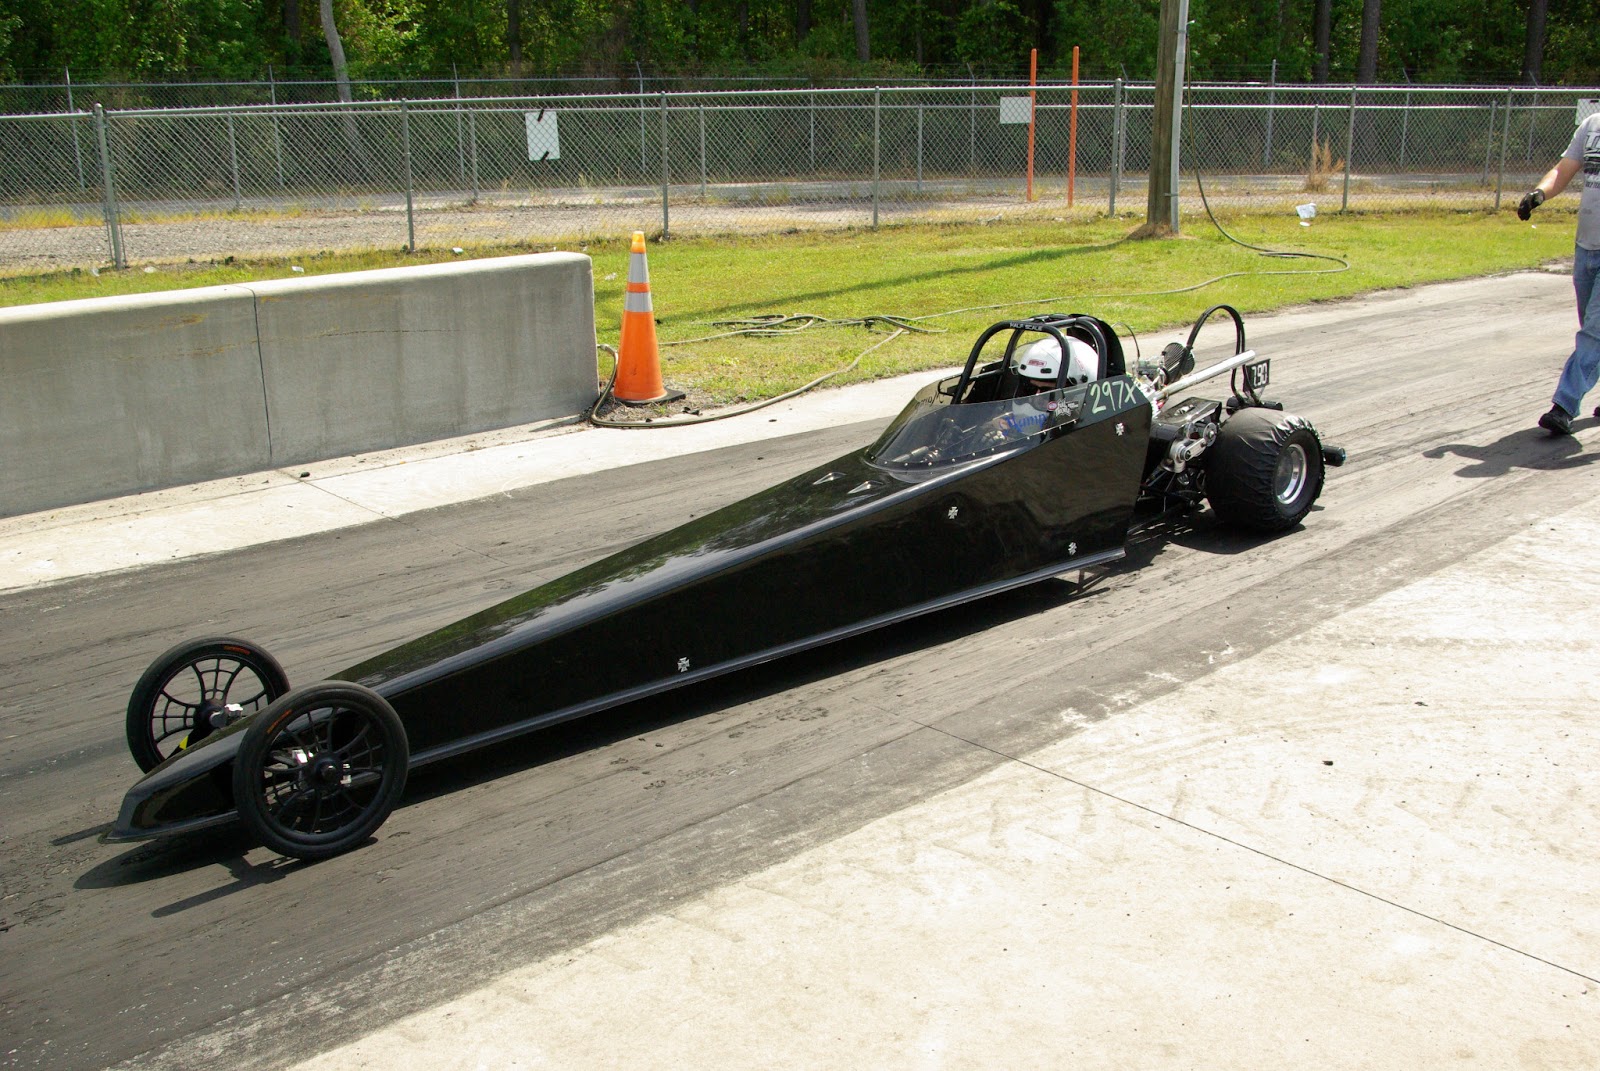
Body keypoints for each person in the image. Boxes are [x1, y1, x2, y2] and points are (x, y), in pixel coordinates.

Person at [1520, 109, 1600, 436]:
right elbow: (1563, 169)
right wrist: (1539, 194)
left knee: (1594, 331)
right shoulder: (1593, 124)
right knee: (1592, 328)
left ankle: (1564, 406)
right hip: (1587, 245)